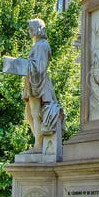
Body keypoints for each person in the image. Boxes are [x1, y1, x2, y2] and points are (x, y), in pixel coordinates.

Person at [23, 18, 62, 152]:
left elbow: (40, 67)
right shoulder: (38, 45)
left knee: (34, 114)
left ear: (36, 29)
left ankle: (38, 146)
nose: (29, 31)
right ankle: (38, 142)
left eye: (30, 28)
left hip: (37, 83)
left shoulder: (42, 45)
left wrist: (24, 66)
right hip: (32, 82)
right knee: (29, 115)